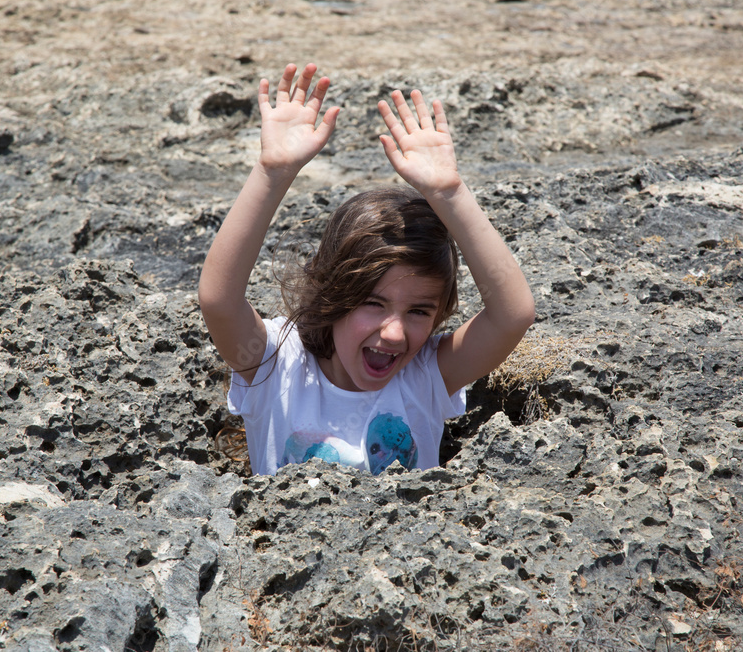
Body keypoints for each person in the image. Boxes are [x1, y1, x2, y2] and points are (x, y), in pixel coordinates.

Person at [198, 63, 535, 476]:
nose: (394, 333)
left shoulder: (426, 375)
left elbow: (512, 314)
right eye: (373, 304)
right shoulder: (273, 365)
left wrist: (450, 193)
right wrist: (273, 172)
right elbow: (219, 299)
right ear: (333, 295)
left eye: (418, 311)